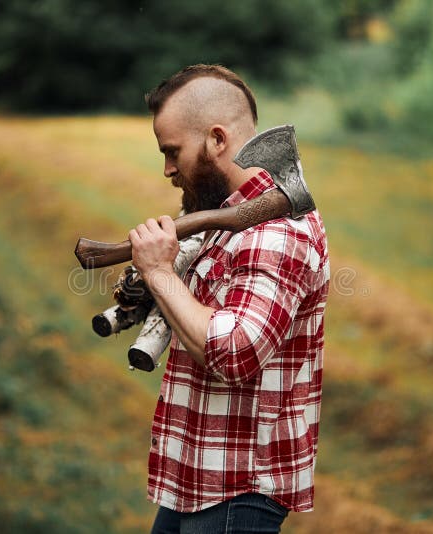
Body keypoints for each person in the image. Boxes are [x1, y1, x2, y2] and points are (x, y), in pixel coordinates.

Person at [128, 64, 329, 534]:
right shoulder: (226, 218)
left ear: (217, 139)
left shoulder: (277, 231)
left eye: (172, 151)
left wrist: (159, 272)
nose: (168, 169)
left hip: (236, 488)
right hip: (197, 474)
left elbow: (234, 353)